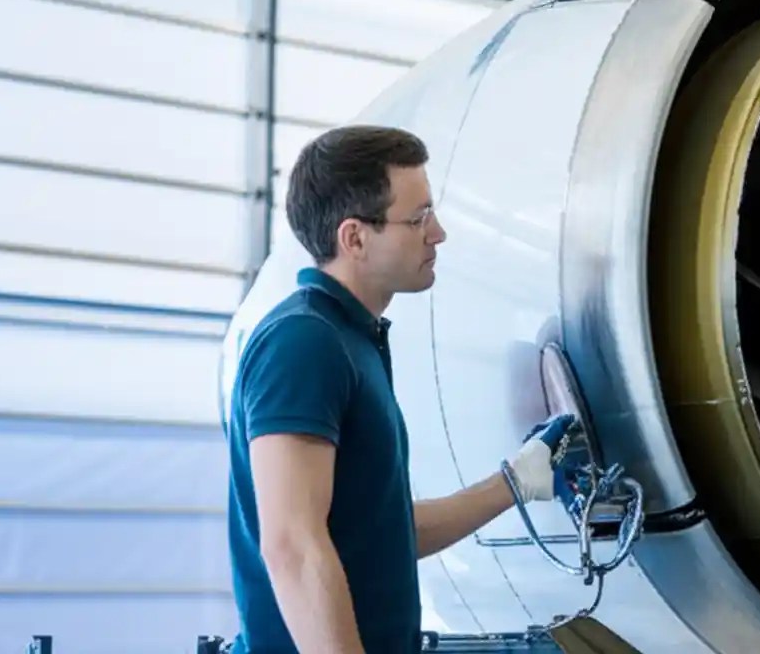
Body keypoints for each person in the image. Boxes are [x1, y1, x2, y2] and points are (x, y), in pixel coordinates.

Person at [224, 125, 572, 653]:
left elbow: (386, 532)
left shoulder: (350, 340)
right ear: (355, 237)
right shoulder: (303, 342)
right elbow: (292, 544)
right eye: (418, 218)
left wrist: (517, 482)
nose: (438, 234)